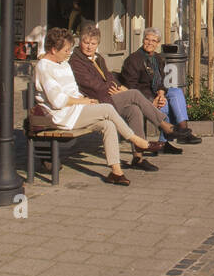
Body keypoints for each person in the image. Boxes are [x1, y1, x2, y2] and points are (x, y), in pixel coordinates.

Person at [34, 28, 153, 186]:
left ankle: (116, 172)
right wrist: (83, 102)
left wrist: (84, 100)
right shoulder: (44, 67)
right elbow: (57, 100)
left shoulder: (62, 63)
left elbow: (73, 90)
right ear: (54, 50)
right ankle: (135, 139)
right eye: (66, 50)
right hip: (61, 115)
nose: (69, 53)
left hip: (75, 110)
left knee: (108, 125)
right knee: (107, 109)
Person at [70, 23, 179, 168]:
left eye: (93, 43)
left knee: (134, 110)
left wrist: (118, 87)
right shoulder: (76, 61)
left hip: (107, 97)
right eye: (86, 43)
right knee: (133, 94)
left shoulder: (97, 58)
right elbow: (91, 85)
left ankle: (138, 157)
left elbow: (109, 77)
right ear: (80, 42)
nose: (89, 47)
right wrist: (118, 90)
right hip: (95, 102)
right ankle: (164, 125)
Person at [120, 28, 202, 144]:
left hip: (156, 92)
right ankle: (164, 143)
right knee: (165, 106)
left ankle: (184, 131)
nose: (150, 43)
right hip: (143, 96)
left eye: (153, 41)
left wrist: (161, 93)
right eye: (147, 39)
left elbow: (162, 80)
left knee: (177, 91)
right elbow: (131, 87)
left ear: (158, 43)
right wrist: (150, 101)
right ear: (143, 40)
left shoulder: (158, 58)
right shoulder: (134, 59)